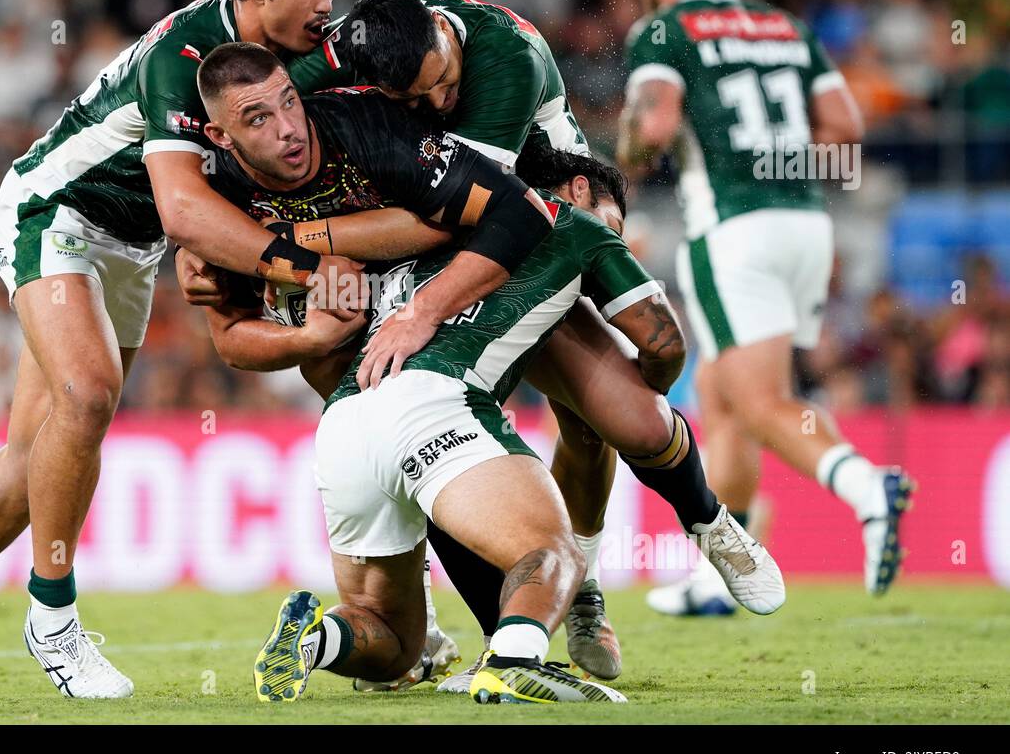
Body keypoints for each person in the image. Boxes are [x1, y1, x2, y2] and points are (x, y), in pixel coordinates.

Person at [0, 0, 362, 699]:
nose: (327, 4)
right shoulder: (187, 53)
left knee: (36, 457)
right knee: (88, 395)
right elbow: (187, 206)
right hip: (58, 210)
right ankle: (54, 618)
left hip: (130, 244)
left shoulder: (291, 53)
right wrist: (303, 266)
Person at [185, 42, 785, 703]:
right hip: (424, 395)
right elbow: (664, 339)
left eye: (287, 106)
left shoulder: (393, 191)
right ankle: (522, 645)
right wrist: (651, 368)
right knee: (559, 533)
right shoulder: (568, 221)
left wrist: (300, 265)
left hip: (349, 420)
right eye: (259, 118)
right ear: (584, 189)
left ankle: (321, 638)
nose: (285, 127)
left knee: (393, 641)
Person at [616, 0, 915, 614]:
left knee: (758, 401)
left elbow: (653, 127)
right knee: (721, 401)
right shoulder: (783, 24)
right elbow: (846, 125)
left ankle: (864, 484)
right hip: (807, 224)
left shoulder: (662, 28)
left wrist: (627, 147)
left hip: (733, 229)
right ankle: (723, 573)